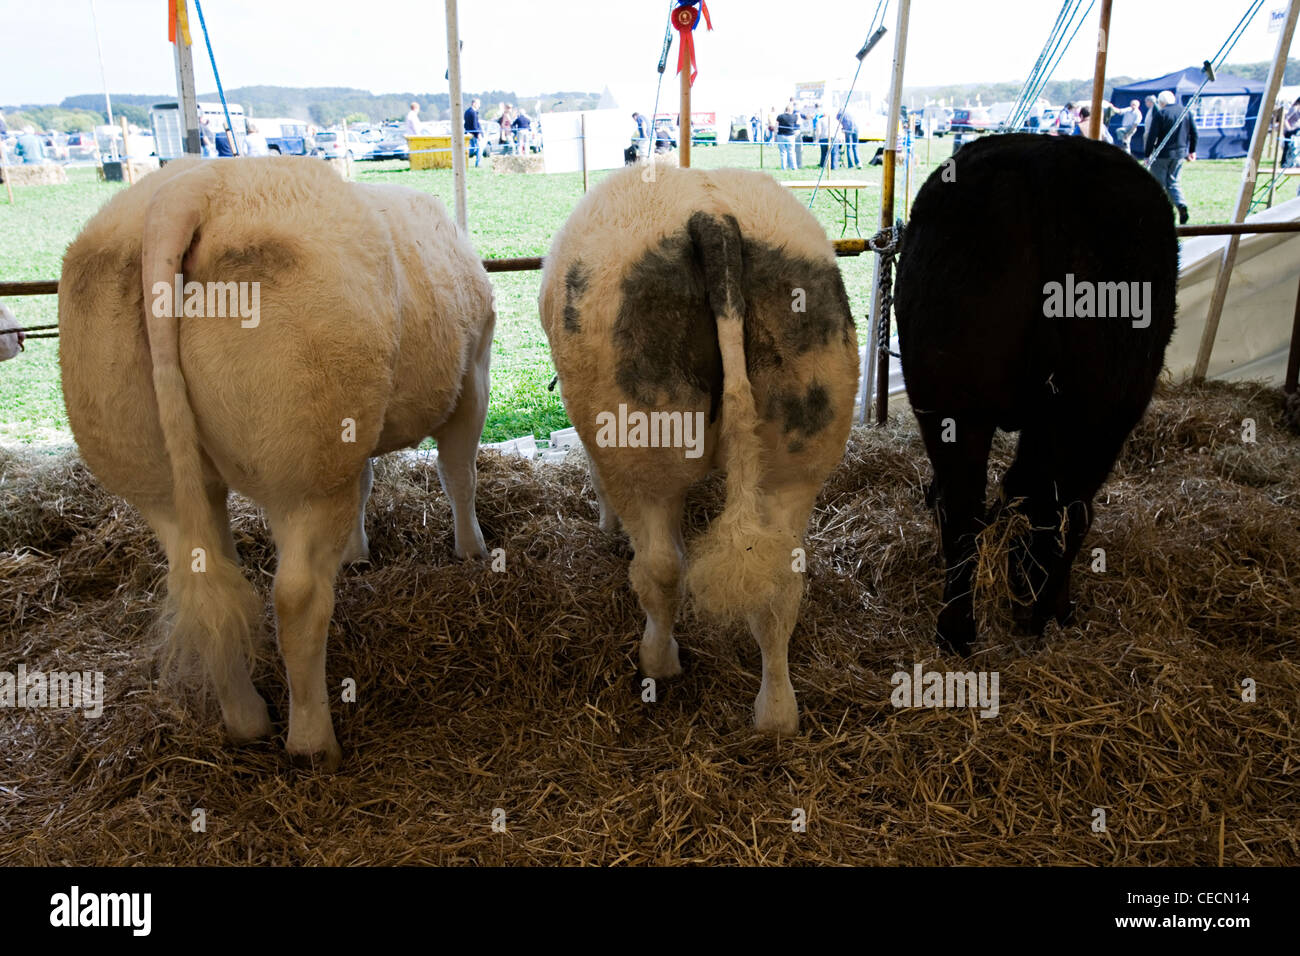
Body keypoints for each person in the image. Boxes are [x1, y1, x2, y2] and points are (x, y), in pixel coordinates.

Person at [1147, 89, 1197, 224]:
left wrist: (1147, 154)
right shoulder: (1186, 112)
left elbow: (1152, 136)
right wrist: (1192, 150)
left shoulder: (1161, 113)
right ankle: (1181, 205)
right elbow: (1194, 132)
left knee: (1158, 185)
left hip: (1162, 154)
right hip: (1180, 154)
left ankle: (1160, 213)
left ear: (1161, 102)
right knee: (1173, 182)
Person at [775, 104, 799, 170]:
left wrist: (775, 135)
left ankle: (783, 167)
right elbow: (798, 125)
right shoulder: (794, 117)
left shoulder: (779, 116)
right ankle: (794, 167)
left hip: (781, 135)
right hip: (790, 136)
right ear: (791, 110)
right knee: (791, 152)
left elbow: (776, 126)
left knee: (783, 152)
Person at [465, 97, 484, 166]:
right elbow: (475, 125)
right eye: (478, 103)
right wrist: (478, 134)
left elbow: (466, 124)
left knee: (472, 149)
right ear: (474, 103)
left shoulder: (467, 111)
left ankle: (463, 160)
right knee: (479, 148)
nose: (479, 105)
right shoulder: (473, 113)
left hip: (469, 133)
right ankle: (478, 163)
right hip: (474, 134)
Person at [1282, 97, 1300, 168]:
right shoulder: (1295, 108)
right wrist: (1289, 128)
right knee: (1288, 147)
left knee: (1295, 147)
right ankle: (1284, 163)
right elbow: (1285, 118)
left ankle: (1294, 162)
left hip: (1297, 131)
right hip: (1291, 131)